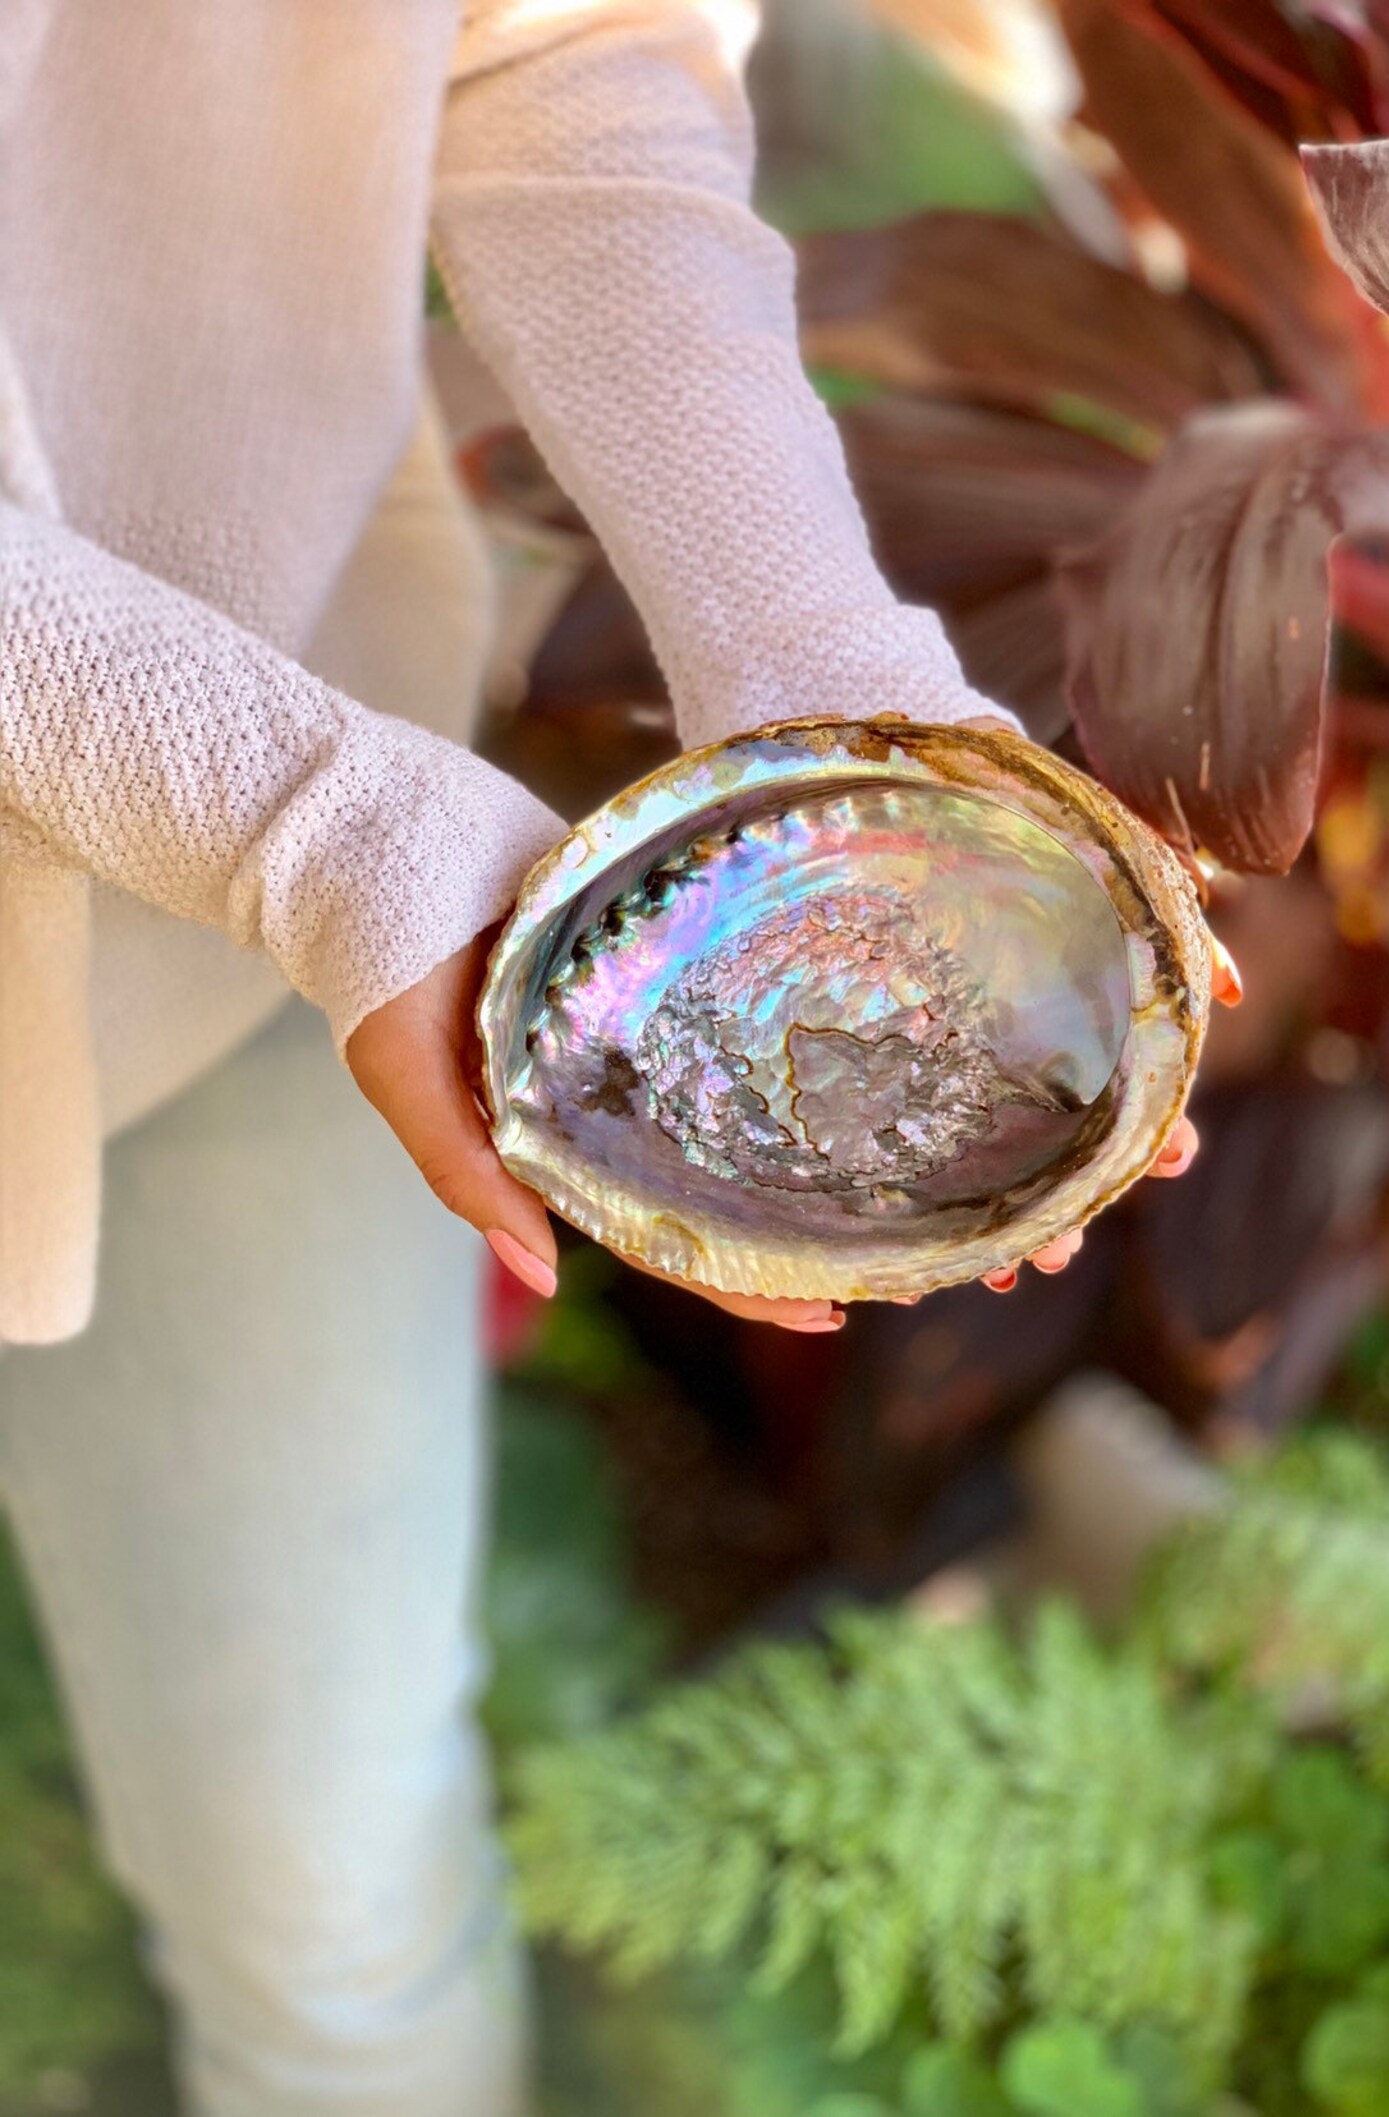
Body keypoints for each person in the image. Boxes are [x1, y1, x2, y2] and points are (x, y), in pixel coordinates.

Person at [0, 4, 1215, 2111]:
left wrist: (817, 669)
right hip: (317, 851)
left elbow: (555, 51)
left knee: (331, 1903)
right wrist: (324, 830)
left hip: (246, 958)